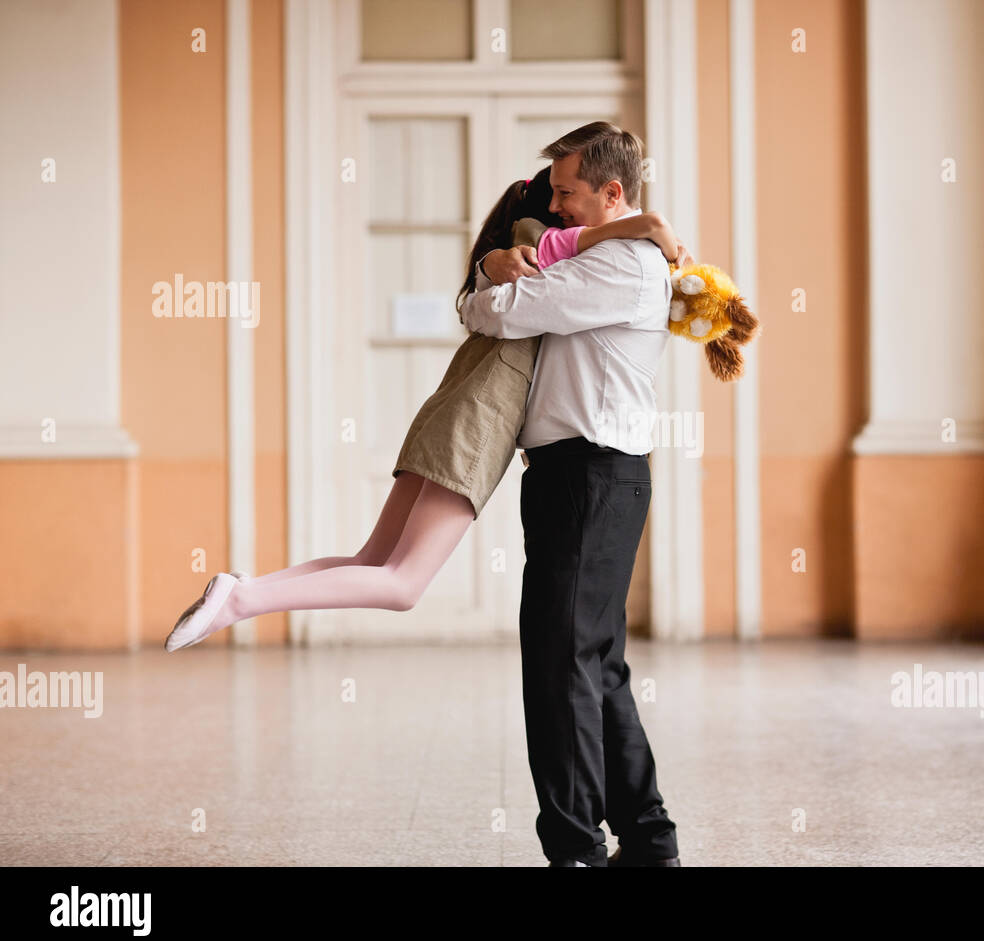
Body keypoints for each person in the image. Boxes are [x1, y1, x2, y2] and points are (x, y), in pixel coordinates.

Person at [162, 162, 687, 653]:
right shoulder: (535, 244)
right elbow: (570, 242)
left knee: (371, 560)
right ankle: (240, 601)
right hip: (474, 426)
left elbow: (552, 256)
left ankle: (242, 589)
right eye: (560, 199)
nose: (565, 206)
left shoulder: (519, 250)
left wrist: (634, 228)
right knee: (403, 584)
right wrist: (646, 224)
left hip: (447, 417)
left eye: (566, 194)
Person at [460, 121, 682, 867]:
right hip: (574, 476)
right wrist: (494, 270)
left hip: (594, 475)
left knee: (561, 667)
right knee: (593, 664)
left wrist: (493, 277)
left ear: (611, 193)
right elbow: (489, 296)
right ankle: (649, 843)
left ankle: (576, 849)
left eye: (566, 192)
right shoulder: (599, 251)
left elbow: (498, 312)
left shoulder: (623, 261)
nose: (553, 207)